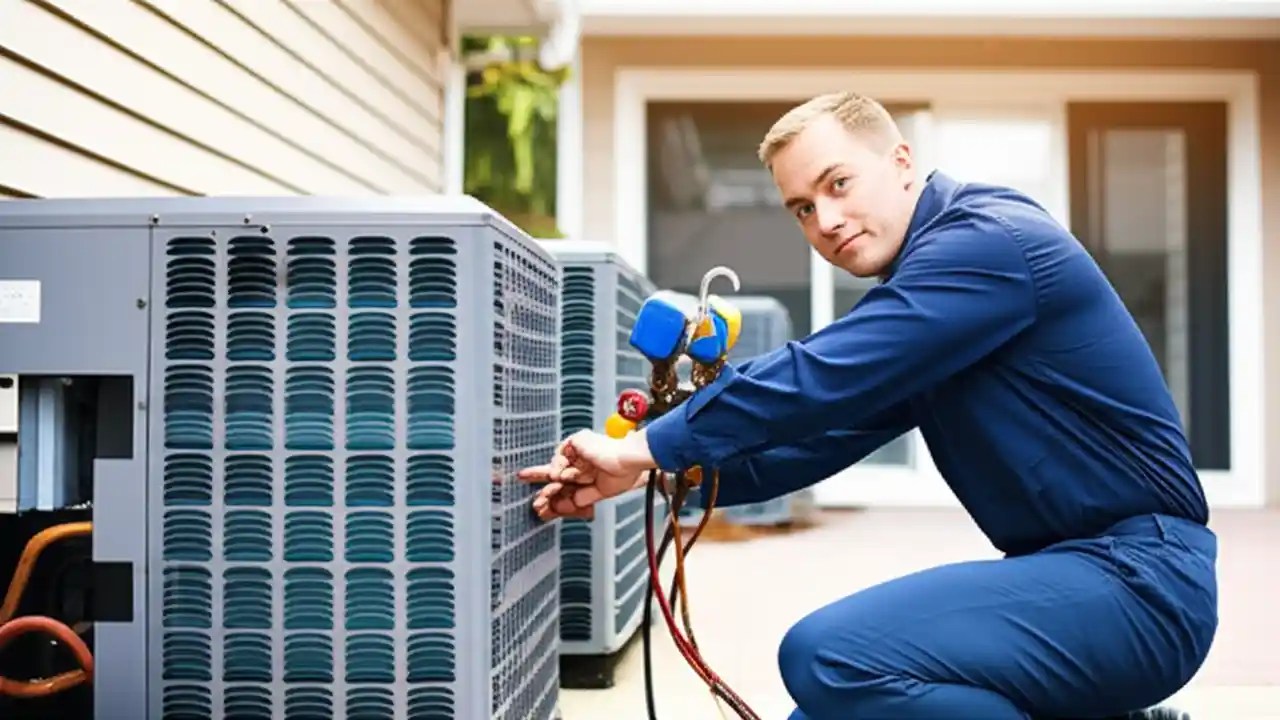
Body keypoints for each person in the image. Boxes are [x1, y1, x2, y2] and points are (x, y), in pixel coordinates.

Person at [519, 91, 1216, 720]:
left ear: (902, 161)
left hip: (1140, 584)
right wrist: (654, 474)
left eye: (838, 183)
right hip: (1081, 578)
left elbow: (820, 377)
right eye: (802, 208)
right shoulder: (939, 298)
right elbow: (823, 432)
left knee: (828, 657)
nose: (825, 220)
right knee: (825, 715)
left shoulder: (984, 243)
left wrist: (646, 443)